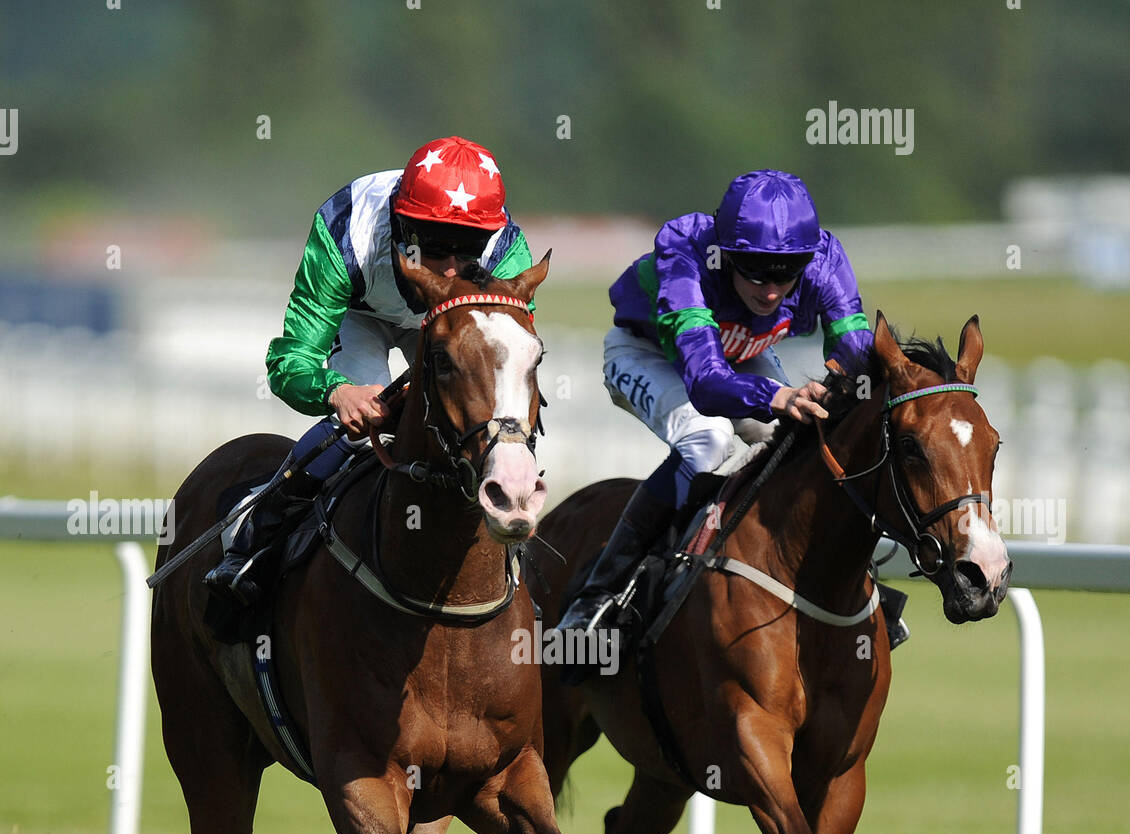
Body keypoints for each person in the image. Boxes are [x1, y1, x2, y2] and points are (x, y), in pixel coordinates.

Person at [556, 168, 908, 647]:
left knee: (800, 446)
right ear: (726, 251)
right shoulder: (687, 249)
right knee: (709, 440)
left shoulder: (824, 258)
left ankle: (847, 583)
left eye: (786, 273)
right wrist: (779, 396)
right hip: (651, 354)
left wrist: (897, 382)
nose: (771, 289)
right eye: (755, 269)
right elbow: (704, 380)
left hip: (738, 356)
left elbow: (856, 351)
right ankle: (595, 598)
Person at [205, 135, 534, 604]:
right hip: (362, 317)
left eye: (469, 249)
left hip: (447, 324)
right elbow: (288, 362)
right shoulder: (346, 232)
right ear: (401, 224)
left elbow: (514, 362)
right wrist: (336, 393)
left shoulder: (508, 251)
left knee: (487, 423)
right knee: (368, 415)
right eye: (435, 248)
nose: (450, 269)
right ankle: (255, 535)